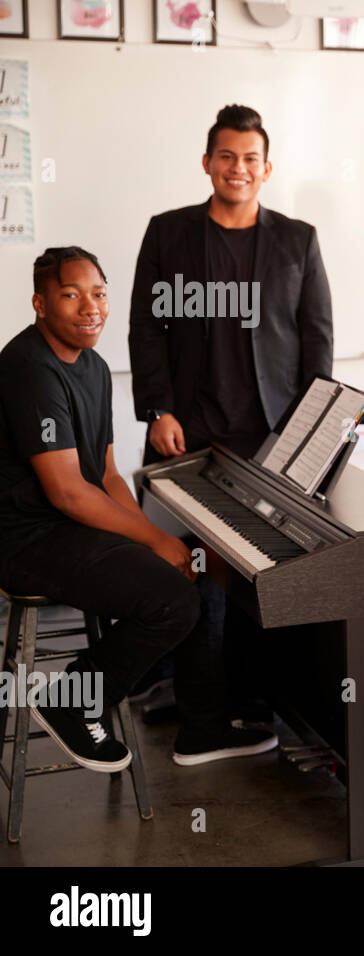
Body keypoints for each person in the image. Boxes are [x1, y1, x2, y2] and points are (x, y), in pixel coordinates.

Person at [128, 103, 333, 764]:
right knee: (193, 573)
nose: (237, 167)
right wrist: (157, 408)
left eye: (250, 158)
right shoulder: (168, 234)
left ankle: (251, 706)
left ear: (265, 168)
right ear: (207, 162)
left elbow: (317, 345)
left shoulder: (297, 240)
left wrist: (308, 438)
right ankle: (200, 718)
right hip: (184, 439)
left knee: (261, 578)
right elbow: (145, 330)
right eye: (226, 156)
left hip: (269, 445)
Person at [0, 248, 200, 772]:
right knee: (173, 601)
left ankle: (121, 686)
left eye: (100, 293)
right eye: (71, 295)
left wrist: (144, 536)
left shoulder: (92, 365)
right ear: (40, 304)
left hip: (70, 527)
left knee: (179, 574)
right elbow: (67, 491)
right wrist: (154, 541)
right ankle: (72, 700)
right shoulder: (28, 368)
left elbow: (107, 475)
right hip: (27, 540)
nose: (91, 308)